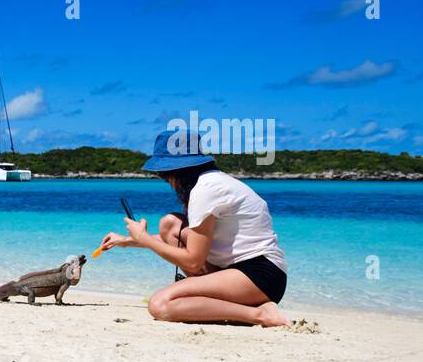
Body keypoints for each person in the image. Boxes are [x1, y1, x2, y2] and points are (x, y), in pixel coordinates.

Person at [100, 130, 289, 327]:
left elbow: (193, 261)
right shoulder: (213, 181)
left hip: (260, 276)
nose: (170, 184)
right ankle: (231, 305)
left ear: (177, 173)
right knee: (170, 224)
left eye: (166, 177)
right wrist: (129, 241)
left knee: (161, 304)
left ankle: (259, 314)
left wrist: (145, 238)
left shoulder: (205, 190)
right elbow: (199, 239)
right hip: (245, 272)